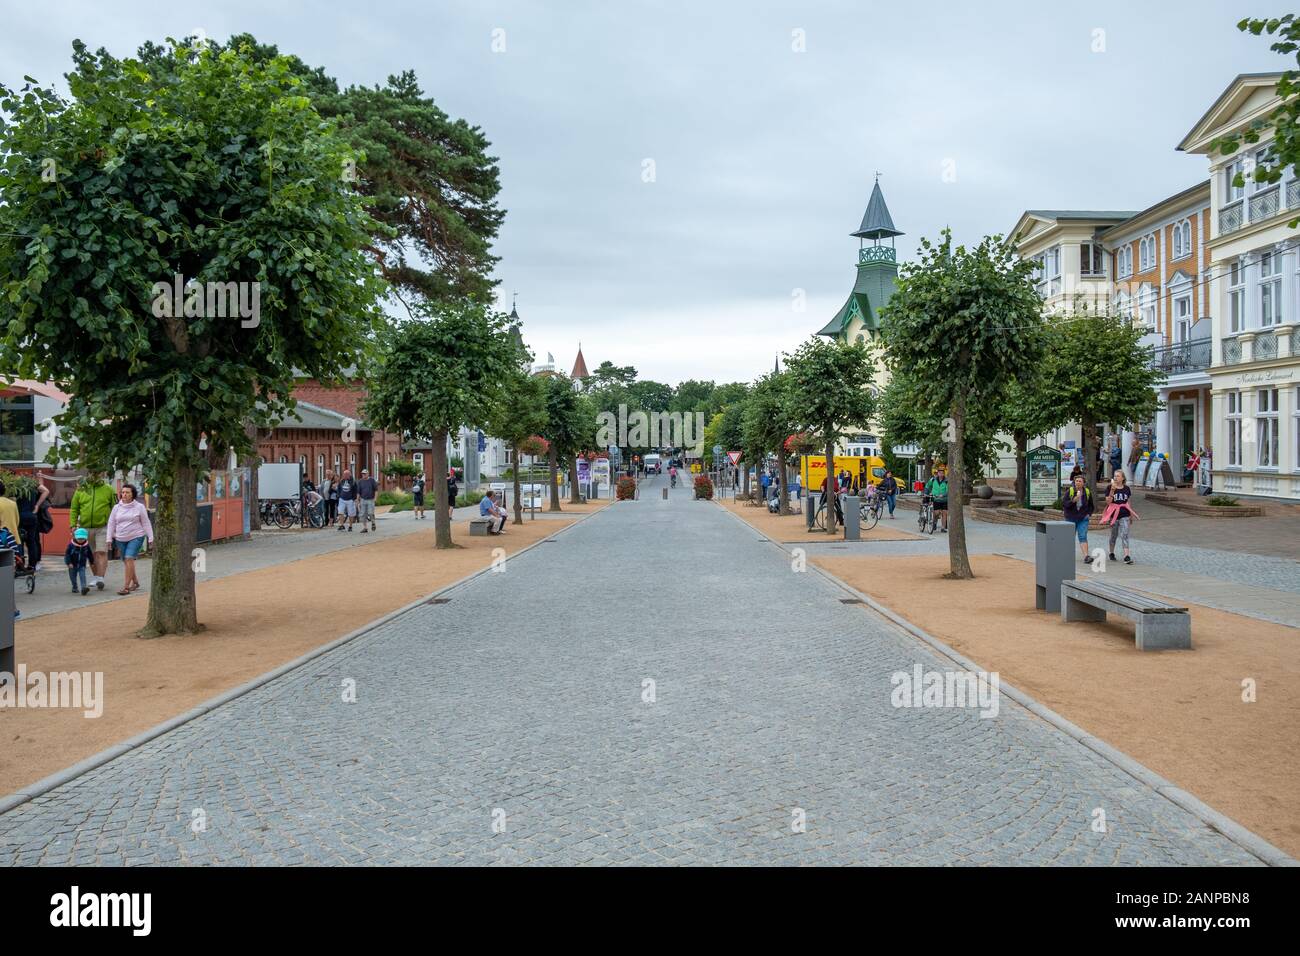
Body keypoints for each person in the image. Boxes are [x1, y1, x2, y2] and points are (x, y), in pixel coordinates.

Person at [69, 473, 114, 590]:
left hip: (103, 526)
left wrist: (114, 526)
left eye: (97, 474)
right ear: (88, 474)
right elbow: (74, 509)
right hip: (85, 528)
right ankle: (96, 577)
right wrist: (73, 524)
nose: (94, 476)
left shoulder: (108, 489)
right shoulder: (81, 489)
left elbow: (114, 508)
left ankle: (100, 578)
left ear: (101, 475)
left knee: (101, 552)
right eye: (92, 473)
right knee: (91, 554)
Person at [106, 483, 153, 595]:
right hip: (120, 538)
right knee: (127, 561)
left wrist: (151, 537)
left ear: (133, 494)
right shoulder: (116, 508)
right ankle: (135, 582)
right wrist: (109, 539)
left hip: (136, 536)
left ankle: (126, 587)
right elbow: (111, 523)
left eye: (127, 492)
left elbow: (146, 523)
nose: (124, 494)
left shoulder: (139, 507)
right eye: (123, 492)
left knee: (129, 558)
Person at [1101, 469, 1139, 564]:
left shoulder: (1126, 488)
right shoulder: (1109, 487)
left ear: (1122, 478)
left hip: (1124, 514)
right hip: (1114, 515)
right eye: (1115, 476)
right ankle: (1111, 552)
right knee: (1113, 535)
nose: (1115, 478)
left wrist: (1131, 515)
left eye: (1118, 476)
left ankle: (1126, 556)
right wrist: (1112, 490)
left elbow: (1128, 502)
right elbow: (1108, 502)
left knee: (1125, 534)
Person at [14, 476, 49, 571]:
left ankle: (20, 565)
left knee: (20, 541)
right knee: (32, 542)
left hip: (20, 516)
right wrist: (37, 505)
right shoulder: (33, 485)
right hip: (32, 516)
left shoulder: (15, 486)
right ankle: (32, 565)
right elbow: (46, 491)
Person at [1061, 474, 1096, 562]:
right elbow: (1064, 504)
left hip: (1083, 519)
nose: (1078, 483)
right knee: (1069, 537)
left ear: (1083, 483)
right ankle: (1066, 555)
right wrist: (1074, 500)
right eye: (1076, 481)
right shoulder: (1070, 491)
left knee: (1083, 536)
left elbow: (1091, 505)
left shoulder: (1087, 492)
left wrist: (1088, 514)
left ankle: (1086, 556)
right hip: (1070, 518)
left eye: (1080, 481)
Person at [65, 526, 93, 595]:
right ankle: (74, 587)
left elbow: (89, 554)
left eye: (82, 538)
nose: (81, 540)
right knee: (73, 577)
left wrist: (92, 561)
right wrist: (69, 563)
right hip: (72, 565)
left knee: (82, 576)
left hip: (82, 565)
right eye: (79, 538)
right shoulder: (71, 545)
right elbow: (67, 554)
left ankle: (84, 588)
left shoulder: (86, 545)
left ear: (85, 538)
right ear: (75, 537)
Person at [924, 466, 949, 532]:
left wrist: (943, 495)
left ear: (944, 473)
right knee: (936, 513)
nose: (941, 474)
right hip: (935, 499)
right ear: (938, 473)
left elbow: (948, 490)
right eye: (939, 473)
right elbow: (927, 486)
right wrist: (926, 493)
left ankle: (943, 528)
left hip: (944, 499)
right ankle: (934, 522)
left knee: (944, 513)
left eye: (942, 473)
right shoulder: (933, 479)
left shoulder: (946, 481)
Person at [356, 468, 378, 533]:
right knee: (363, 514)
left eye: (365, 474)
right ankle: (365, 528)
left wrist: (375, 498)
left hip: (370, 499)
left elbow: (376, 490)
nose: (363, 475)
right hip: (363, 499)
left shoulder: (372, 480)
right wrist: (357, 500)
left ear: (368, 474)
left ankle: (373, 522)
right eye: (363, 474)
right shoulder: (360, 481)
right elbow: (358, 492)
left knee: (370, 513)